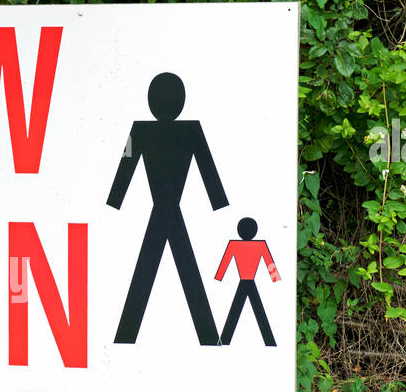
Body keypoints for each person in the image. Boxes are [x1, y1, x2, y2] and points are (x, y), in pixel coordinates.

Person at [107, 72, 228, 345]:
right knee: (181, 268)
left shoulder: (140, 130)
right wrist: (217, 201)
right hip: (167, 207)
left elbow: (126, 163)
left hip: (165, 207)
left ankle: (126, 336)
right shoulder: (188, 130)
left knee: (152, 268)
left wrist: (115, 199)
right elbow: (207, 168)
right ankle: (208, 336)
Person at [213, 217, 280, 346]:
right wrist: (275, 278)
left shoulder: (234, 244)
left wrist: (219, 277)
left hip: (244, 281)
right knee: (256, 310)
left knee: (237, 310)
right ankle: (269, 341)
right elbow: (270, 264)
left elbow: (224, 264)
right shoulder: (260, 245)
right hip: (249, 281)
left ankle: (225, 340)